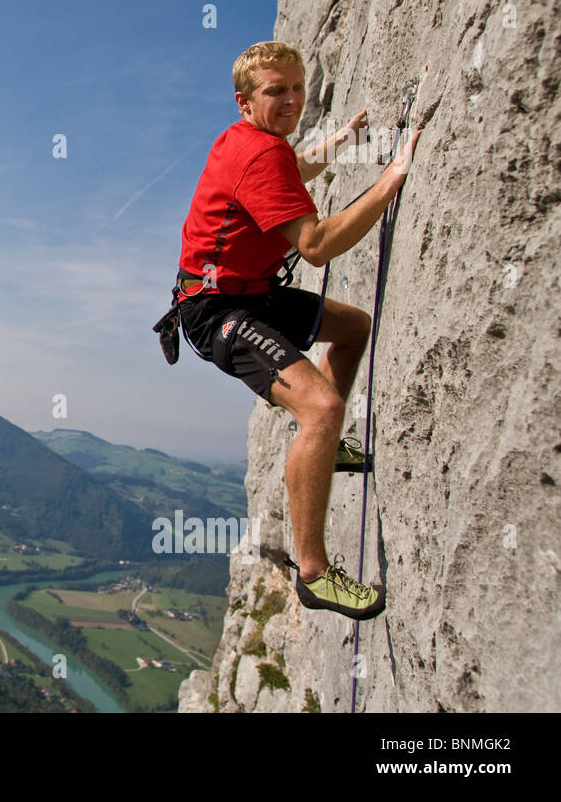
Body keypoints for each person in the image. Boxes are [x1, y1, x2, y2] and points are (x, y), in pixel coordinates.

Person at [175, 40, 422, 621]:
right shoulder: (258, 153)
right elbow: (314, 246)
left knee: (352, 327)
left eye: (296, 87)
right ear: (244, 102)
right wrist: (389, 181)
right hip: (219, 311)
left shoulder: (255, 145)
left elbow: (286, 174)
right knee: (322, 408)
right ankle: (313, 573)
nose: (290, 100)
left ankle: (326, 448)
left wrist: (336, 146)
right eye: (274, 91)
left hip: (250, 295)